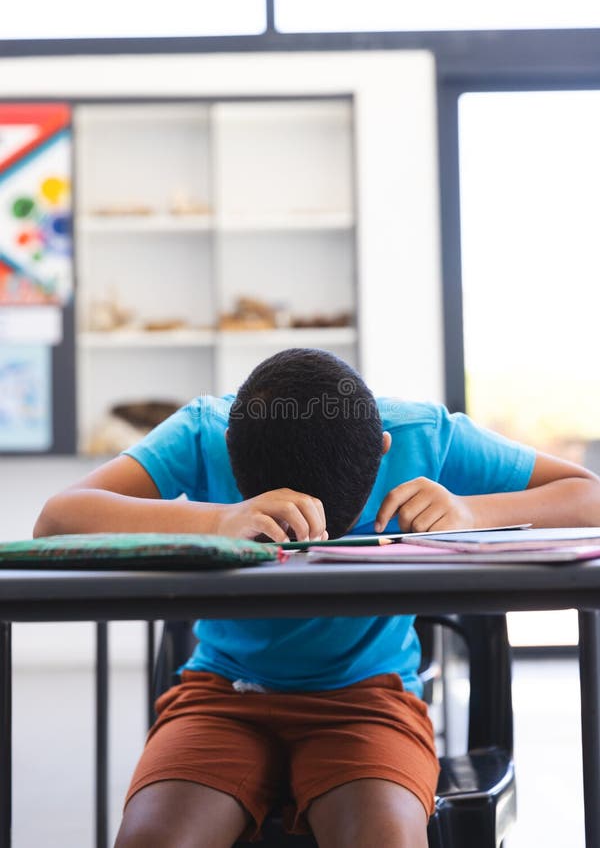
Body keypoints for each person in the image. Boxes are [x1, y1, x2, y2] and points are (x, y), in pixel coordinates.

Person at [34, 348, 600, 848]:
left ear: (383, 450)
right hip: (226, 693)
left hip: (367, 698)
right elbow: (57, 519)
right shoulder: (207, 430)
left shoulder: (420, 434)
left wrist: (478, 510)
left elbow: (588, 496)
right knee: (154, 838)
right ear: (233, 455)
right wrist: (218, 518)